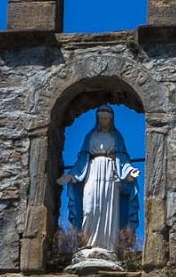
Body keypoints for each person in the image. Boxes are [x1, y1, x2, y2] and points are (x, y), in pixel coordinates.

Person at [58, 106, 140, 252]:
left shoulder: (116, 137)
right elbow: (82, 159)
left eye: (106, 118)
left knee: (109, 208)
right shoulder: (91, 136)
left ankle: (109, 247)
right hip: (93, 171)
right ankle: (86, 243)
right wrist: (71, 175)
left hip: (110, 173)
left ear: (111, 119)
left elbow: (123, 158)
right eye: (101, 118)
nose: (103, 121)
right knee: (89, 208)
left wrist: (130, 171)